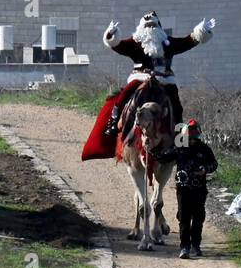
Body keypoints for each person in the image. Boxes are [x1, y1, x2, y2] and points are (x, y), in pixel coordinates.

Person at [81, 10, 216, 161]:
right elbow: (117, 45)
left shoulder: (168, 43)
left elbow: (187, 41)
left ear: (159, 27)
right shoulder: (135, 42)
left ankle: (179, 139)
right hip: (140, 78)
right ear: (141, 27)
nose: (150, 28)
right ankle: (114, 123)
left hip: (165, 80)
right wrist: (111, 35)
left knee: (176, 105)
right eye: (147, 25)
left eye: (153, 25)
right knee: (125, 94)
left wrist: (201, 32)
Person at [164, 118, 218, 259]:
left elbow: (214, 164)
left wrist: (205, 169)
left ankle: (196, 245)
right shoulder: (179, 148)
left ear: (198, 134)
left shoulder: (204, 149)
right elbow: (164, 158)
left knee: (198, 217)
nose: (192, 138)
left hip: (199, 189)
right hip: (183, 189)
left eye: (194, 134)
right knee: (184, 218)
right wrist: (150, 149)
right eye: (189, 135)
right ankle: (184, 247)